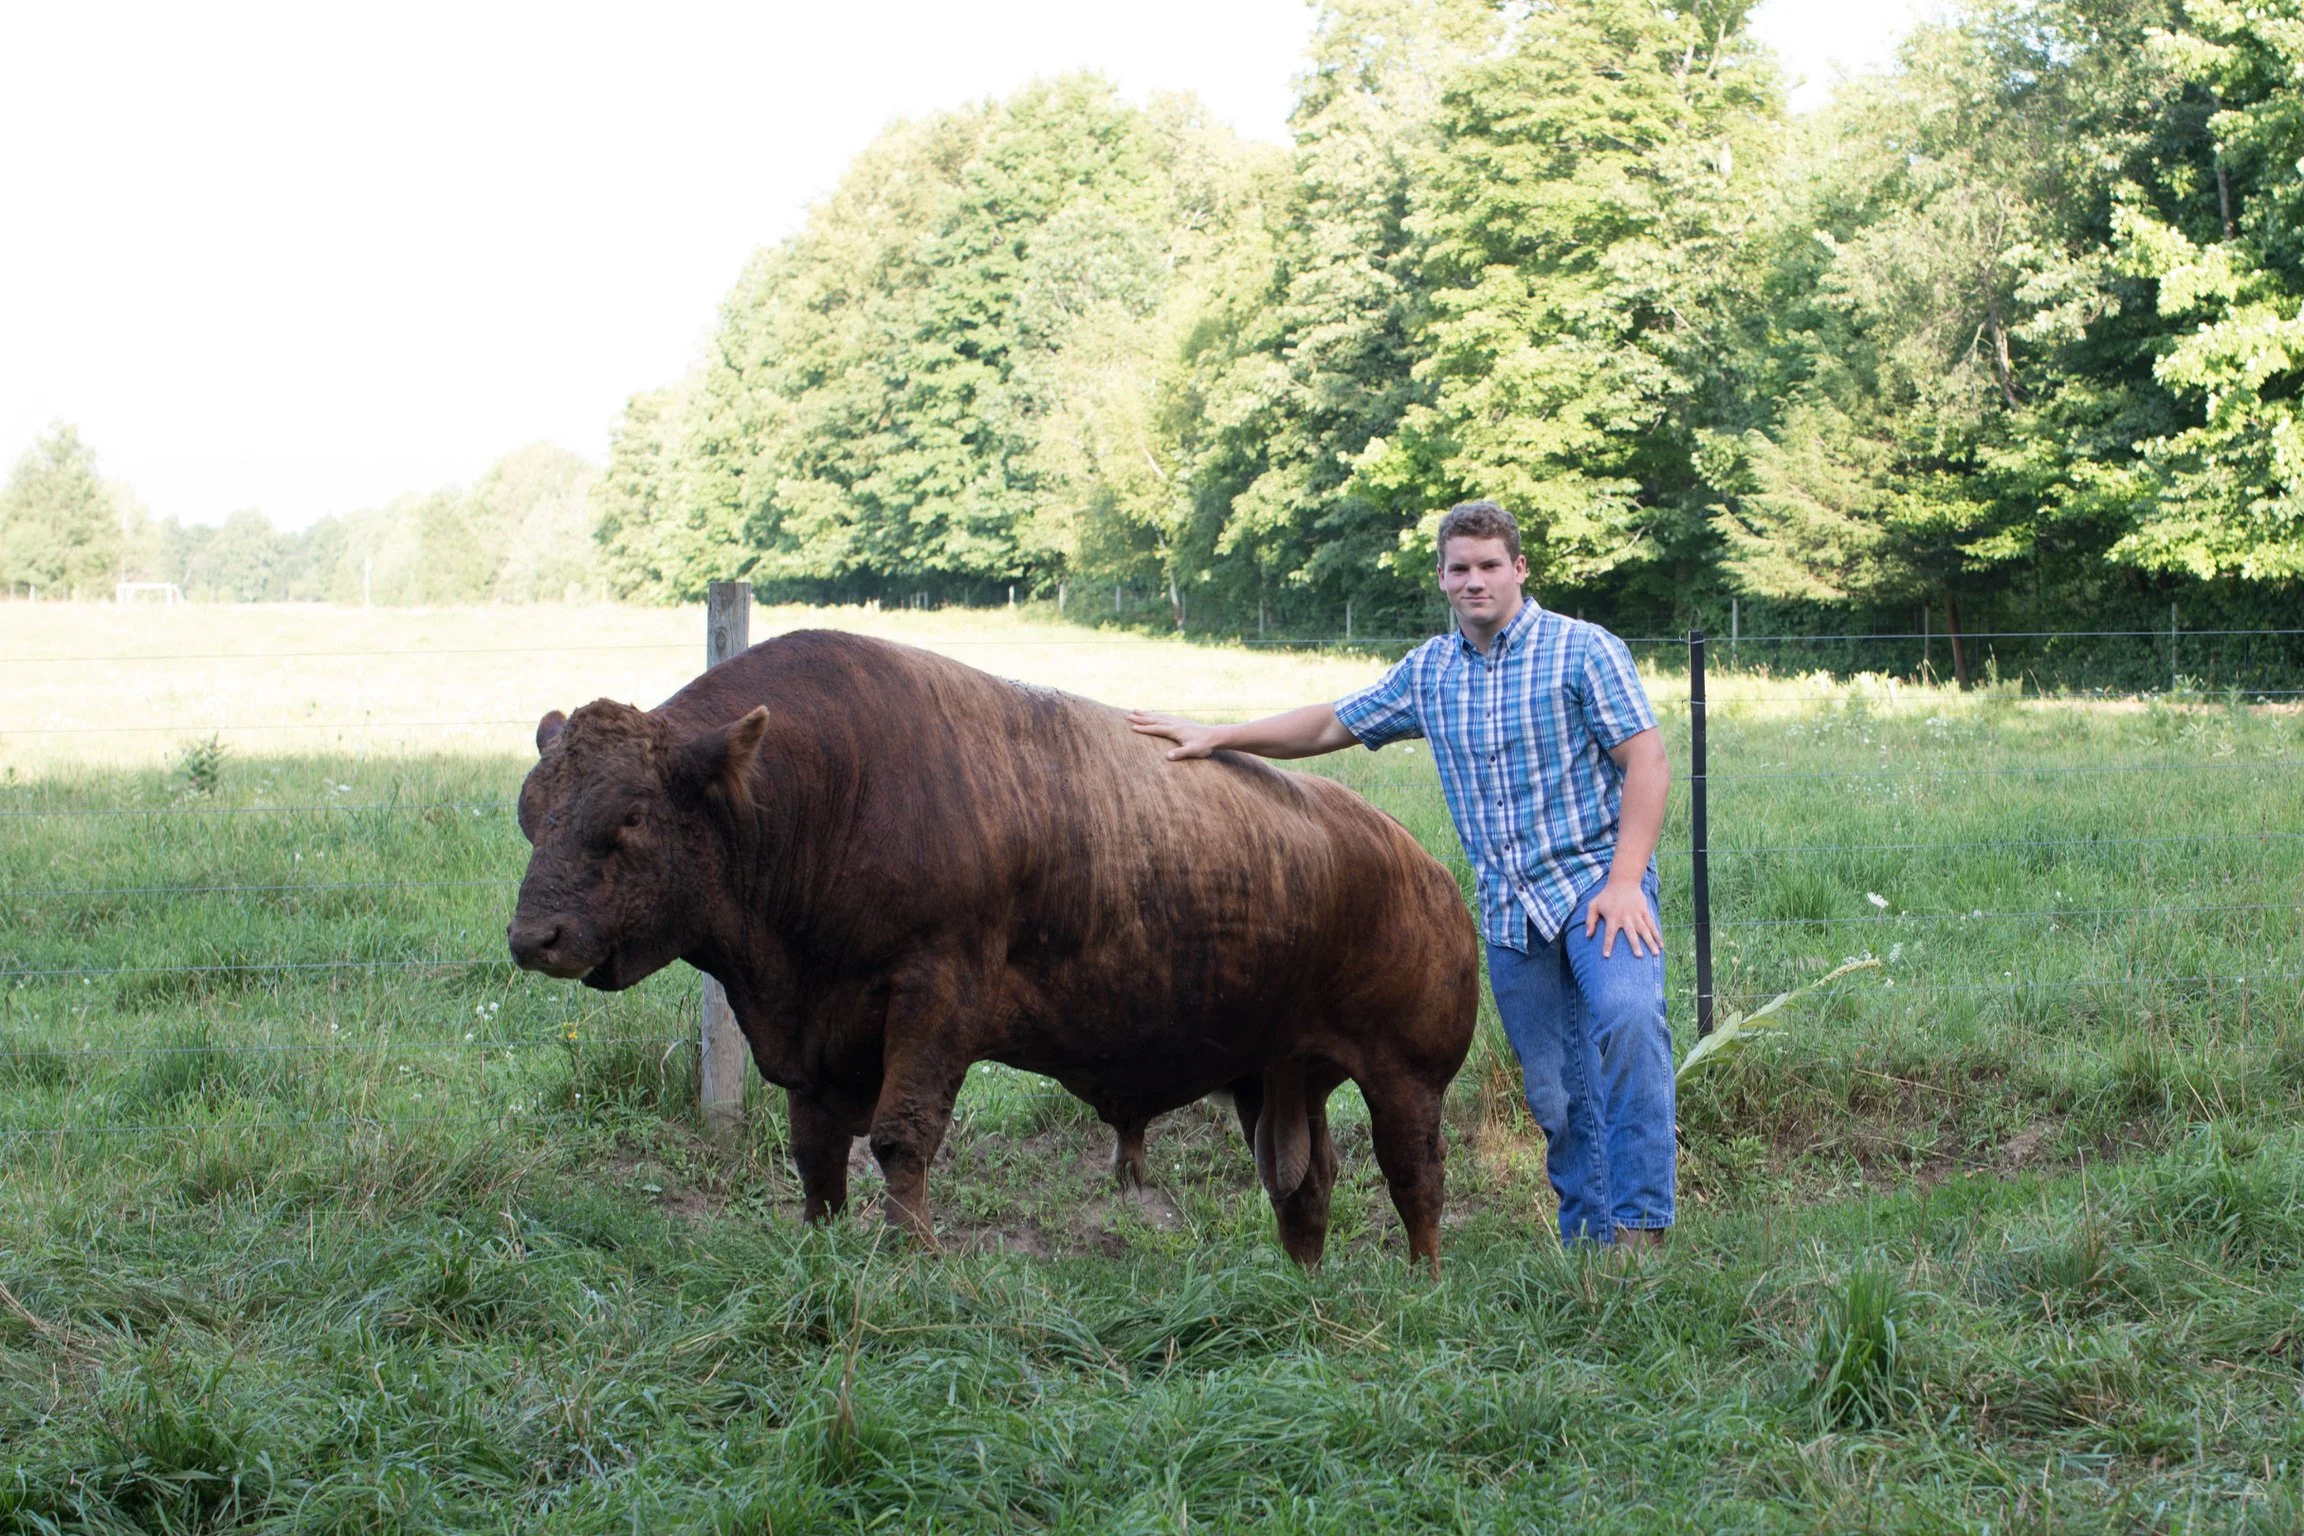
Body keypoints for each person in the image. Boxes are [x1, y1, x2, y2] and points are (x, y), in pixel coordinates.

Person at [1128, 500, 1674, 1251]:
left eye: (1489, 565)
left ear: (1519, 568)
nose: (1475, 580)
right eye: (1460, 568)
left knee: (1630, 1022)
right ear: (1443, 578)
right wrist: (1217, 733)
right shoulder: (1432, 672)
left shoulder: (1583, 651)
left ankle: (1640, 1233)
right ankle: (1590, 1245)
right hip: (1513, 911)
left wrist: (1625, 879)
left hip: (1599, 889)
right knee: (1556, 1092)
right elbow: (1329, 724)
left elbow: (1646, 758)